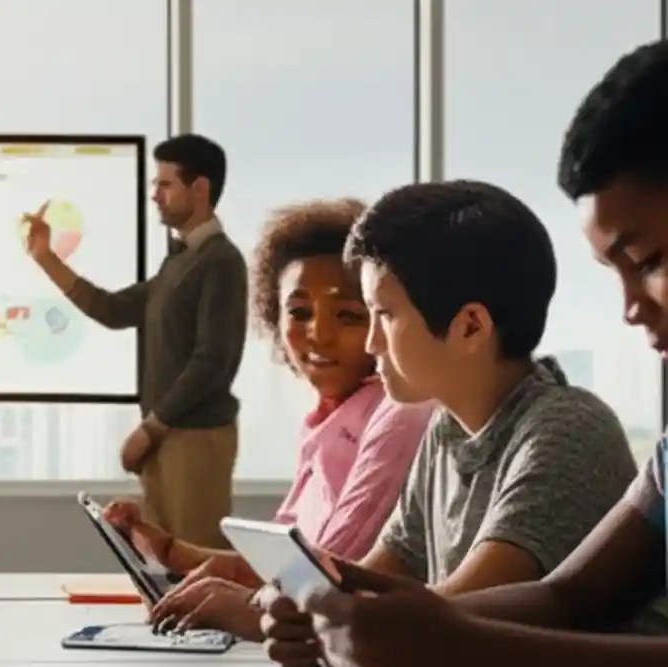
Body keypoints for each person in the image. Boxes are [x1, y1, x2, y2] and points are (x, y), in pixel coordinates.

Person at [257, 39, 668, 667]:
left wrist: (462, 652)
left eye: (650, 259)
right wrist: (348, 599)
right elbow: (567, 595)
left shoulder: (565, 425)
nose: (629, 307)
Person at [170, 178, 649, 640]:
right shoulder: (446, 432)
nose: (372, 343)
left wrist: (257, 616)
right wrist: (267, 598)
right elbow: (369, 577)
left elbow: (451, 619)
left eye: (384, 315)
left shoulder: (565, 430)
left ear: (469, 327)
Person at [103, 198, 433, 637]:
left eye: (349, 315)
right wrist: (163, 548)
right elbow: (279, 565)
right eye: (298, 312)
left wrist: (234, 602)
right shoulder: (325, 418)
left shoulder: (399, 413)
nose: (318, 333)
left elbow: (323, 578)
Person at [25, 134, 247, 549]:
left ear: (199, 188)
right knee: (164, 562)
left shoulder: (221, 262)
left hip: (194, 438)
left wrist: (150, 428)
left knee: (195, 560)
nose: (154, 195)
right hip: (169, 438)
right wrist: (46, 258)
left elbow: (212, 360)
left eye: (165, 185)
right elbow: (114, 310)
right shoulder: (180, 261)